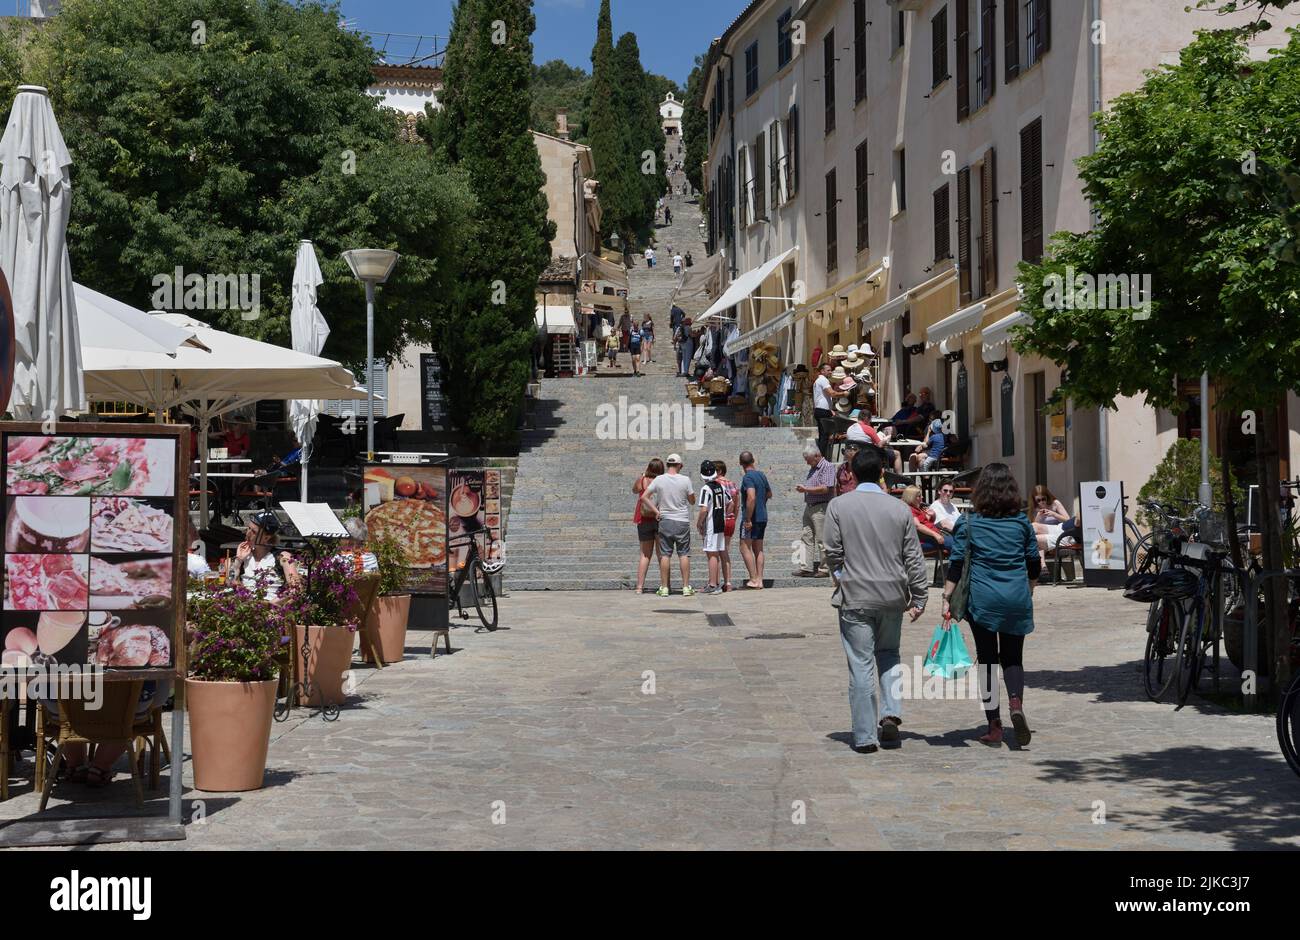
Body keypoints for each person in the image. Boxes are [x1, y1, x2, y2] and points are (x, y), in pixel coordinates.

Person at [823, 446, 929, 754]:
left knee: (861, 664)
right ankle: (891, 714)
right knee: (889, 654)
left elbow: (832, 551)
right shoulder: (899, 509)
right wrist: (920, 595)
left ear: (852, 474)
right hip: (892, 595)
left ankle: (865, 735)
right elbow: (913, 557)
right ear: (882, 472)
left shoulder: (838, 506)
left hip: (855, 595)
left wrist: (842, 577)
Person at [942, 463, 1040, 747]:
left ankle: (994, 726)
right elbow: (1034, 563)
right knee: (1013, 657)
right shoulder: (1021, 523)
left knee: (987, 660)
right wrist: (1029, 590)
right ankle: (1016, 704)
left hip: (982, 600)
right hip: (1016, 597)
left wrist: (946, 597)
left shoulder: (969, 523)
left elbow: (956, 564)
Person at [641, 453, 696, 596]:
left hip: (665, 520)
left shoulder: (659, 479)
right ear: (680, 465)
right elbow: (692, 501)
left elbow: (644, 497)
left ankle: (664, 588)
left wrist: (656, 511)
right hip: (682, 520)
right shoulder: (685, 480)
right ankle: (686, 587)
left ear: (667, 465)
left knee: (665, 554)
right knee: (684, 554)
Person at [224, 510, 297, 601]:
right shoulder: (243, 557)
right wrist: (238, 560)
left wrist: (272, 604)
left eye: (253, 531)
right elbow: (229, 584)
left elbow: (295, 588)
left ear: (266, 538)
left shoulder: (282, 557)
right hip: (246, 606)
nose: (248, 533)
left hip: (272, 606)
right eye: (248, 528)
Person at [795, 441, 836, 577]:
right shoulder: (814, 467)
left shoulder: (827, 467)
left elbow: (826, 488)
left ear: (817, 456)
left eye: (808, 459)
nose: (807, 462)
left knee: (822, 539)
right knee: (806, 536)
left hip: (821, 507)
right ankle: (806, 567)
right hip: (810, 506)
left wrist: (806, 489)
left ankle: (824, 569)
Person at [738, 451, 772, 589]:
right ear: (753, 460)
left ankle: (753, 579)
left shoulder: (748, 477)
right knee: (759, 549)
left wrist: (747, 518)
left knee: (744, 547)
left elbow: (751, 497)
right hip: (762, 516)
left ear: (741, 463)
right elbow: (769, 493)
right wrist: (761, 504)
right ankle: (760, 580)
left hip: (752, 518)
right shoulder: (761, 475)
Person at [696, 460, 731, 595]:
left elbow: (704, 509)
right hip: (720, 524)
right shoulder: (720, 486)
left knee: (712, 555)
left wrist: (699, 523)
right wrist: (724, 514)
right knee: (715, 553)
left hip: (711, 525)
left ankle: (713, 585)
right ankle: (714, 583)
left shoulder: (706, 489)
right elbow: (730, 502)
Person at [632, 459, 665, 594]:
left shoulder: (642, 480)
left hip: (644, 518)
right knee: (662, 554)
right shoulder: (663, 481)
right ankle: (665, 585)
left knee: (645, 555)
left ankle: (639, 587)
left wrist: (642, 476)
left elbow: (634, 490)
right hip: (660, 518)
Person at [1030, 484, 1073, 568]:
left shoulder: (1055, 504)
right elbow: (1033, 527)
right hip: (1043, 537)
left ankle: (1042, 567)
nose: (1041, 502)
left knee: (1037, 539)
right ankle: (1043, 566)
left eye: (1043, 499)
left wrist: (1054, 514)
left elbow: (1068, 521)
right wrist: (1038, 517)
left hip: (1056, 535)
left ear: (1047, 496)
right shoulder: (1035, 508)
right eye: (1038, 500)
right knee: (1035, 533)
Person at [902, 484, 953, 554]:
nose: (922, 497)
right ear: (911, 498)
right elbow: (918, 526)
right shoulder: (909, 509)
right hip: (923, 541)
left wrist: (932, 515)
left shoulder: (917, 508)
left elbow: (927, 522)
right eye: (919, 496)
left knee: (957, 542)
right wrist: (935, 535)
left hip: (933, 536)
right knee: (956, 545)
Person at [714, 459, 739, 591]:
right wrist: (733, 517)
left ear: (719, 471)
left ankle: (715, 582)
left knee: (715, 552)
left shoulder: (715, 484)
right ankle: (728, 582)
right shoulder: (732, 484)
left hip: (718, 520)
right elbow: (737, 504)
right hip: (730, 520)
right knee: (725, 551)